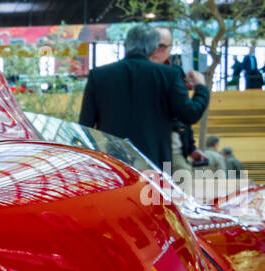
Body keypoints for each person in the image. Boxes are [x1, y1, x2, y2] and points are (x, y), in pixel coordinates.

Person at [79, 23, 209, 172]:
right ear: (153, 47)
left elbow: (85, 126)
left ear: (126, 44)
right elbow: (190, 114)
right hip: (154, 166)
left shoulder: (99, 75)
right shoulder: (168, 75)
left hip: (113, 165)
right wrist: (201, 88)